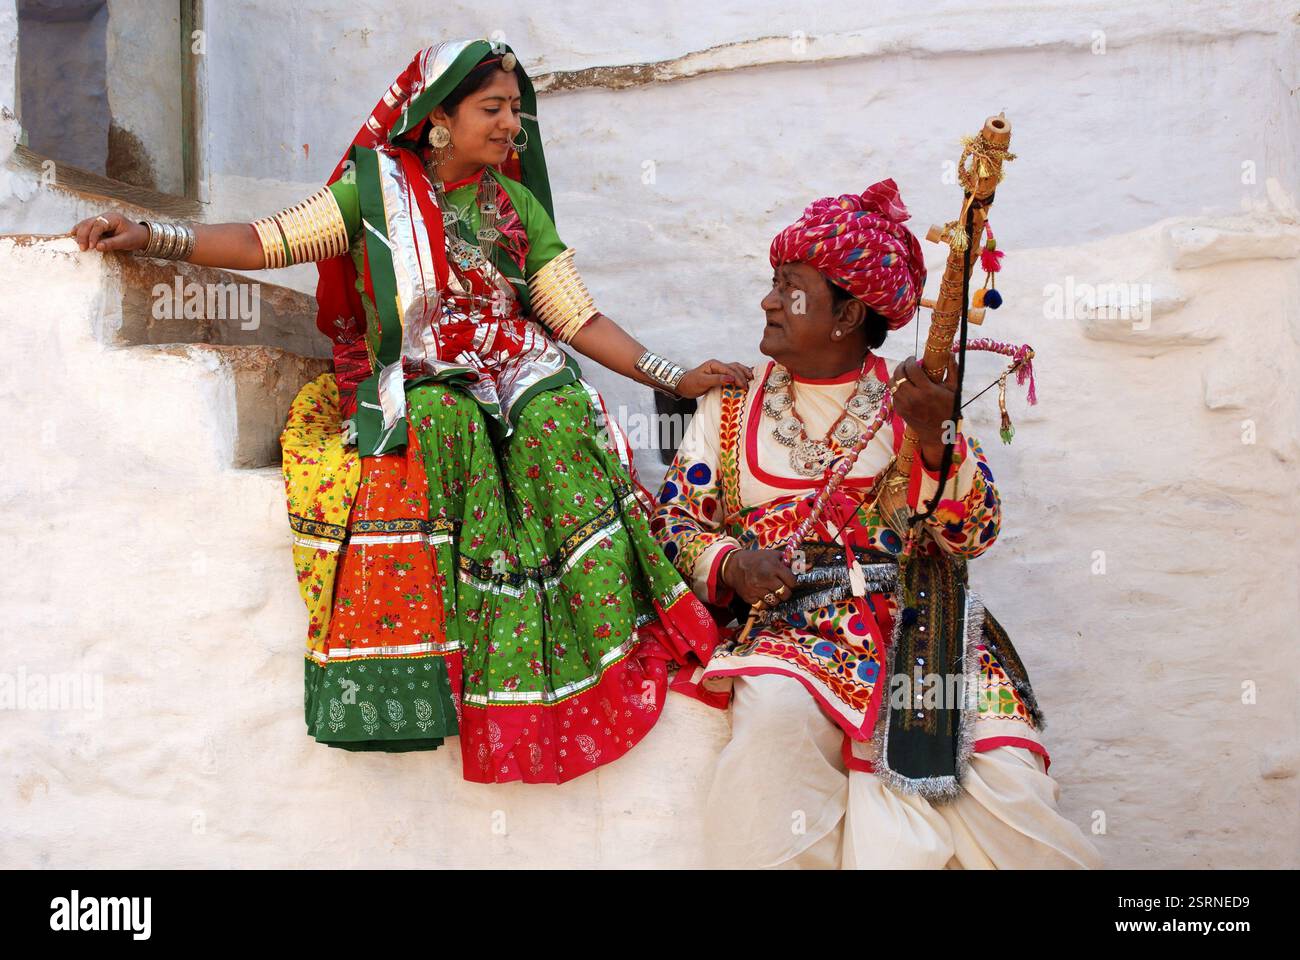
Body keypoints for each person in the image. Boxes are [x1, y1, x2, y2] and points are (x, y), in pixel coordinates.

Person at [69, 38, 745, 784]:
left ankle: (592, 631)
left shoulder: (514, 207)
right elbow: (269, 240)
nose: (511, 126)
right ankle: (457, 653)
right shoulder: (376, 189)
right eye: (493, 109)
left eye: (517, 111)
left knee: (560, 420)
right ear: (438, 118)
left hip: (516, 365)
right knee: (438, 423)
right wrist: (156, 235)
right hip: (423, 367)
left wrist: (671, 374)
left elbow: (575, 317)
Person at [653, 179, 1102, 867]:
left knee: (1008, 782)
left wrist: (934, 440)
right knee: (774, 722)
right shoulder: (730, 406)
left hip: (925, 632)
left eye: (790, 287)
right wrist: (734, 566)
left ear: (847, 314)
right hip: (794, 633)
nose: (769, 300)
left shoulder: (914, 399)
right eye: (773, 283)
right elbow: (676, 524)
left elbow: (973, 533)